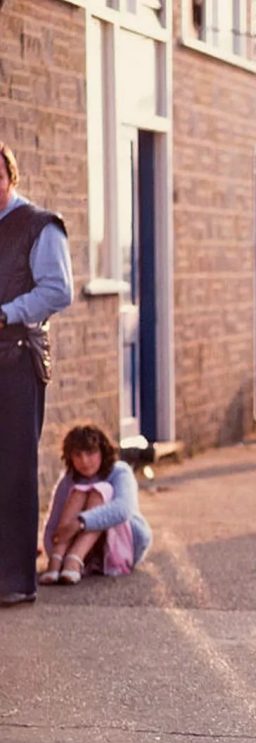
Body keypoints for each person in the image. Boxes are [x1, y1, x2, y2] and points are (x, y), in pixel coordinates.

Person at [0, 142, 73, 608]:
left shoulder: (40, 226)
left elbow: (58, 291)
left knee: (13, 468)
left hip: (17, 359)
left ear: (11, 176)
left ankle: (14, 580)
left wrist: (6, 313)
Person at [40, 424, 152, 583]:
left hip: (124, 544)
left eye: (91, 453)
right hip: (89, 552)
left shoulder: (119, 471)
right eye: (77, 455)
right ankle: (57, 563)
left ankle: (75, 558)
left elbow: (123, 509)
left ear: (102, 451)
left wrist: (80, 523)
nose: (84, 461)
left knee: (100, 490)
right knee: (78, 492)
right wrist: (53, 552)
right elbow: (54, 523)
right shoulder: (69, 479)